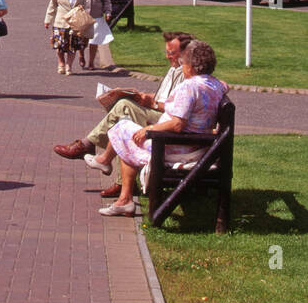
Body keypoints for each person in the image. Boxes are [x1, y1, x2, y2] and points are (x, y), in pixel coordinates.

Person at [88, 39, 225, 216]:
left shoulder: (190, 87)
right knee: (128, 136)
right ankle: (121, 192)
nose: (182, 68)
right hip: (197, 145)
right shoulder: (215, 85)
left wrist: (149, 130)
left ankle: (118, 186)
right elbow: (221, 86)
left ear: (191, 66)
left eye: (184, 63)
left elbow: (177, 124)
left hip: (176, 147)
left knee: (124, 130)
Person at [53, 32, 193, 198]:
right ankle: (121, 183)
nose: (167, 56)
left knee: (124, 108)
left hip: (169, 123)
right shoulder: (174, 69)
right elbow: (164, 97)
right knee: (124, 113)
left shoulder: (186, 75)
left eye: (171, 53)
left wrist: (151, 103)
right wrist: (142, 96)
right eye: (167, 51)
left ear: (185, 54)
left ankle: (89, 146)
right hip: (161, 115)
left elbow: (176, 110)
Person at [44, 0, 89, 76]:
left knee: (72, 46)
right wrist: (48, 19)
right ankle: (61, 63)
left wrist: (81, 8)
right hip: (60, 20)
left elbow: (84, 3)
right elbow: (53, 4)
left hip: (74, 21)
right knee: (59, 45)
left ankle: (69, 65)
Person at [76, 0, 112, 71]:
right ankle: (81, 55)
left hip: (96, 15)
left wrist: (108, 11)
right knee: (82, 40)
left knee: (94, 40)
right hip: (83, 15)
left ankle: (91, 63)